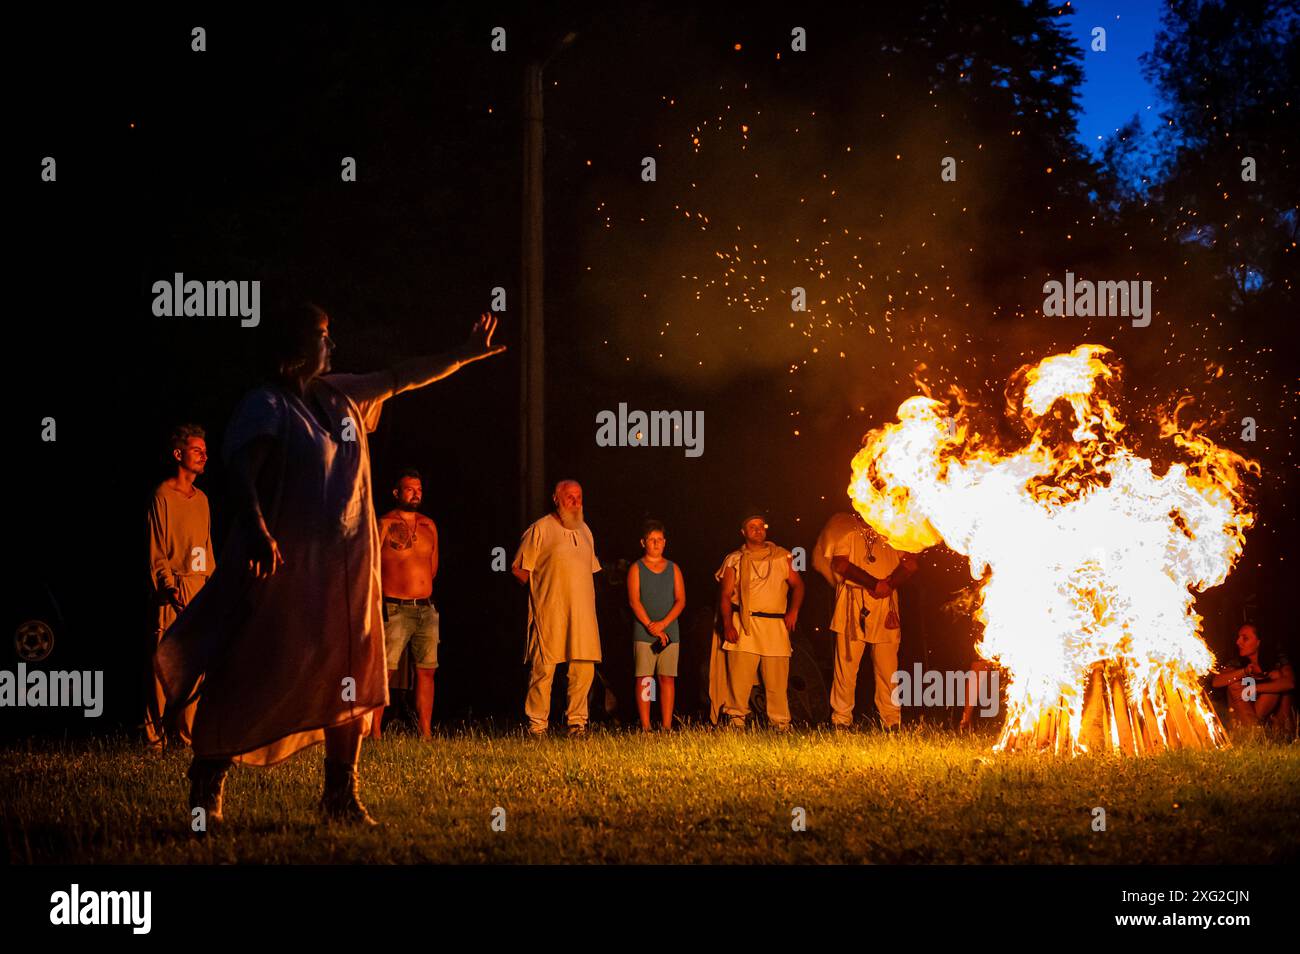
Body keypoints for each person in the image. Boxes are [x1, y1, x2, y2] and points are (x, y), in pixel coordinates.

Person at [157, 304, 504, 829]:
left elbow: (402, 376)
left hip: (349, 574)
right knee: (255, 665)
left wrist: (464, 354)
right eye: (322, 336)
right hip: (289, 569)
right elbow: (242, 471)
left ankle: (339, 794)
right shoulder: (267, 404)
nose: (331, 344)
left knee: (352, 673)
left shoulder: (339, 394)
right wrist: (254, 527)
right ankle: (207, 781)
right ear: (295, 346)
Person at [512, 480, 603, 736]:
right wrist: (543, 589)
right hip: (550, 613)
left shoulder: (585, 530)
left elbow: (590, 570)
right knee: (544, 670)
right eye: (569, 497)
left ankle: (577, 723)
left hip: (582, 615)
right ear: (556, 498)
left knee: (583, 669)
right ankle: (537, 726)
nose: (575, 501)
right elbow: (519, 569)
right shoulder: (540, 529)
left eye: (579, 497)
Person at [814, 510, 918, 731]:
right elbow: (839, 565)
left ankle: (892, 721)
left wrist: (888, 584)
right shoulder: (845, 530)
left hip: (885, 604)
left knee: (888, 667)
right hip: (854, 601)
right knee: (847, 665)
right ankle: (841, 719)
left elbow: (910, 563)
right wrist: (873, 584)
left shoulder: (893, 531)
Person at [145, 423, 214, 750]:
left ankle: (185, 736)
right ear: (178, 454)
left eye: (204, 450)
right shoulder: (163, 495)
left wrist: (212, 586)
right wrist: (168, 586)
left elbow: (205, 547)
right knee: (163, 664)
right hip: (172, 591)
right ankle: (154, 736)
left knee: (195, 667)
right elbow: (157, 550)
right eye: (196, 450)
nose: (204, 455)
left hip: (198, 589)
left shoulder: (202, 500)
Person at [711, 511, 804, 730]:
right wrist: (727, 624)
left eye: (761, 526)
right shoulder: (734, 559)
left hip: (775, 625)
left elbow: (798, 585)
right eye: (752, 526)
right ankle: (736, 721)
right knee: (739, 680)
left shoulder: (783, 556)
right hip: (745, 625)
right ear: (743, 532)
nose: (758, 529)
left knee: (776, 682)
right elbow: (725, 595)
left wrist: (794, 611)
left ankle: (781, 723)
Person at [372, 468, 440, 740]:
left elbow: (432, 567)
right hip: (395, 607)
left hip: (426, 607)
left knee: (427, 670)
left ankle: (425, 733)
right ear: (397, 493)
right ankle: (374, 731)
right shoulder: (384, 523)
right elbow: (371, 564)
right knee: (385, 671)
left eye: (419, 489)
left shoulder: (428, 525)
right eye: (410, 489)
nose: (416, 494)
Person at [626, 520, 685, 731]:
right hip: (645, 632)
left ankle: (667, 725)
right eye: (652, 540)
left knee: (667, 677)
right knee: (645, 679)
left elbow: (681, 600)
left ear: (665, 542)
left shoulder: (673, 568)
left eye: (659, 539)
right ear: (643, 542)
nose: (656, 543)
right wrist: (651, 625)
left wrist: (663, 624)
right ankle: (646, 725)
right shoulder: (636, 568)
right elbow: (634, 600)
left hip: (669, 632)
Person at [1212, 623, 1295, 735]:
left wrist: (1255, 688)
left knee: (1277, 677)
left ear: (1259, 642)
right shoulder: (1237, 662)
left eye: (1245, 638)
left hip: (1271, 719)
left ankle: (1272, 732)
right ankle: (1254, 731)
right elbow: (1216, 682)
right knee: (1235, 684)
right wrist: (1245, 671)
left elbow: (1289, 683)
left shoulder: (1277, 660)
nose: (1238, 642)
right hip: (1242, 718)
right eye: (1238, 637)